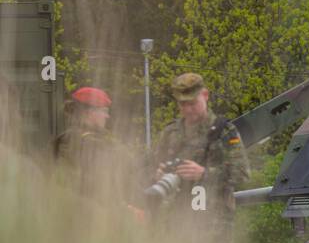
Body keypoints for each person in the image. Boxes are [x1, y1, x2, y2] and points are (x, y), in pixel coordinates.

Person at [148, 73, 250, 232]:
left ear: (205, 95)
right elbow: (151, 168)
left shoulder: (224, 131)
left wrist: (204, 174)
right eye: (182, 104)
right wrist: (158, 174)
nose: (188, 109)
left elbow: (242, 173)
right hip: (175, 224)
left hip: (214, 226)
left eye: (192, 103)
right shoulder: (171, 133)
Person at [54, 86, 129, 185]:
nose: (107, 116)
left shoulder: (64, 139)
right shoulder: (83, 142)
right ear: (89, 113)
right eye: (104, 111)